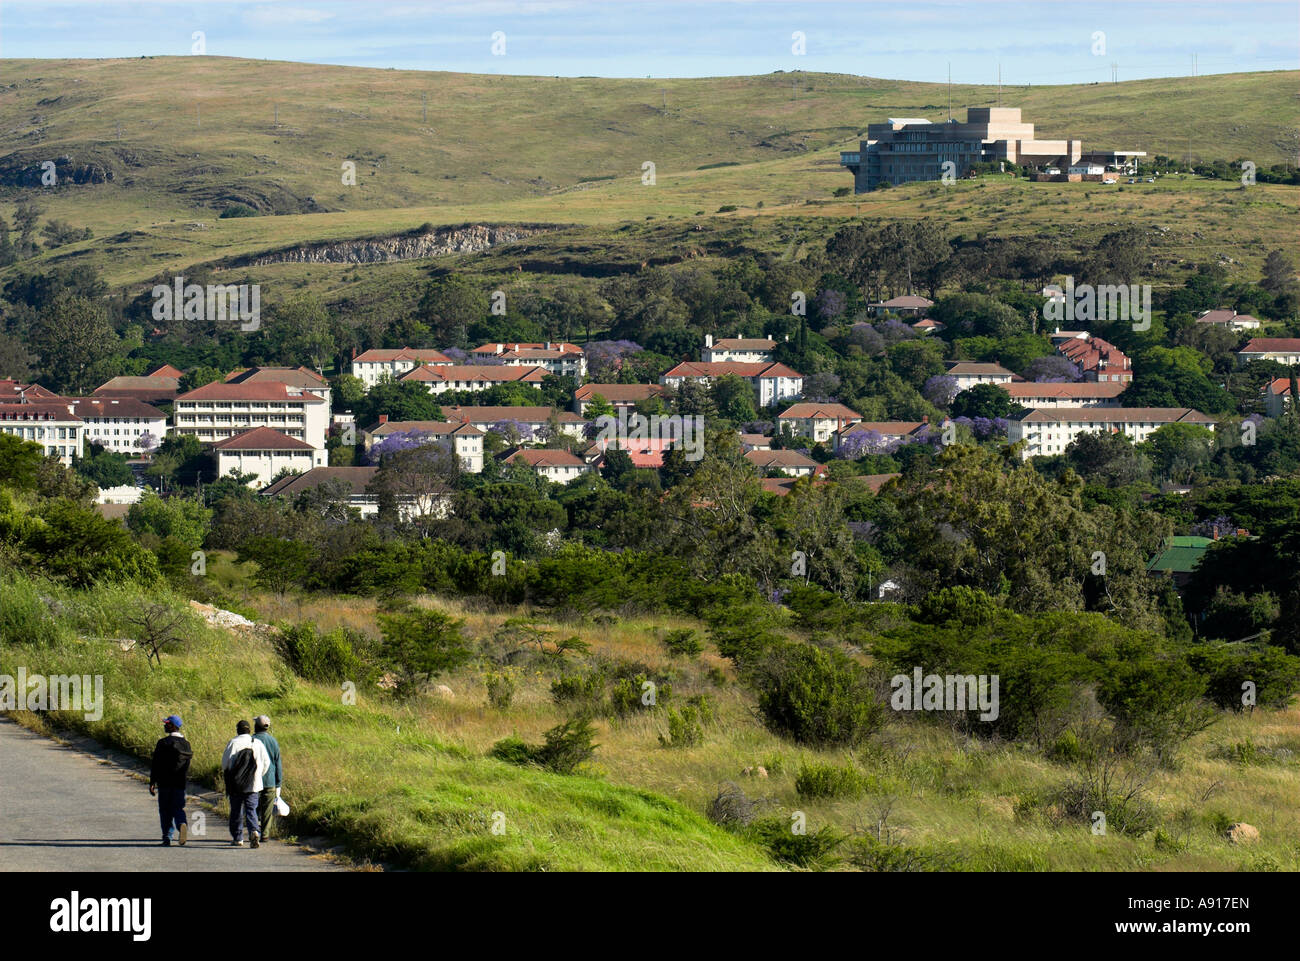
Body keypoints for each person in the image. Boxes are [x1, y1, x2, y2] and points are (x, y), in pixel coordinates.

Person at [220, 719, 271, 848]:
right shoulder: (257, 743)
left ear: (238, 730)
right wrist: (258, 775)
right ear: (249, 730)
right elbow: (266, 763)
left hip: (236, 784)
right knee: (251, 809)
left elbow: (225, 764)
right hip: (253, 785)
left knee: (236, 811)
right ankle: (254, 830)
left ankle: (238, 838)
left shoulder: (233, 742)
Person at [149, 714, 193, 847]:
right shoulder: (186, 745)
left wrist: (152, 782)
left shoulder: (163, 743)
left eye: (167, 724)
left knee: (165, 810)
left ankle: (167, 837)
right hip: (180, 782)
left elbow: (155, 764)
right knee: (178, 807)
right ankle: (181, 823)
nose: (164, 725)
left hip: (164, 782)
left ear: (173, 726)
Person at [252, 714, 283, 840]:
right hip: (270, 780)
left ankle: (254, 829)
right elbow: (278, 764)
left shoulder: (252, 739)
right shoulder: (273, 741)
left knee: (252, 806)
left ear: (256, 726)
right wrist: (278, 783)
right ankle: (265, 834)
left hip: (254, 779)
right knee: (267, 811)